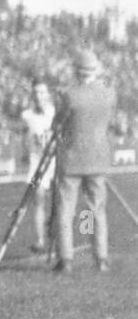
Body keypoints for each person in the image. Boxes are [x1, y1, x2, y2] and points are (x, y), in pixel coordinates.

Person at [52, 50, 116, 274]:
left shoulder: (69, 94)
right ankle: (100, 258)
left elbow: (57, 125)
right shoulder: (109, 94)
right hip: (97, 159)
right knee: (95, 209)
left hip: (72, 159)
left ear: (77, 72)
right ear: (95, 71)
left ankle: (66, 259)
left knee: (66, 210)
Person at [21, 78, 56, 254]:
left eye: (42, 92)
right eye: (35, 92)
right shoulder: (27, 115)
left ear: (48, 94)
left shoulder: (55, 112)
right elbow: (25, 137)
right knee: (39, 199)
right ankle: (40, 240)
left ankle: (55, 232)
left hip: (55, 162)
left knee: (58, 201)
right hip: (37, 164)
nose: (38, 96)